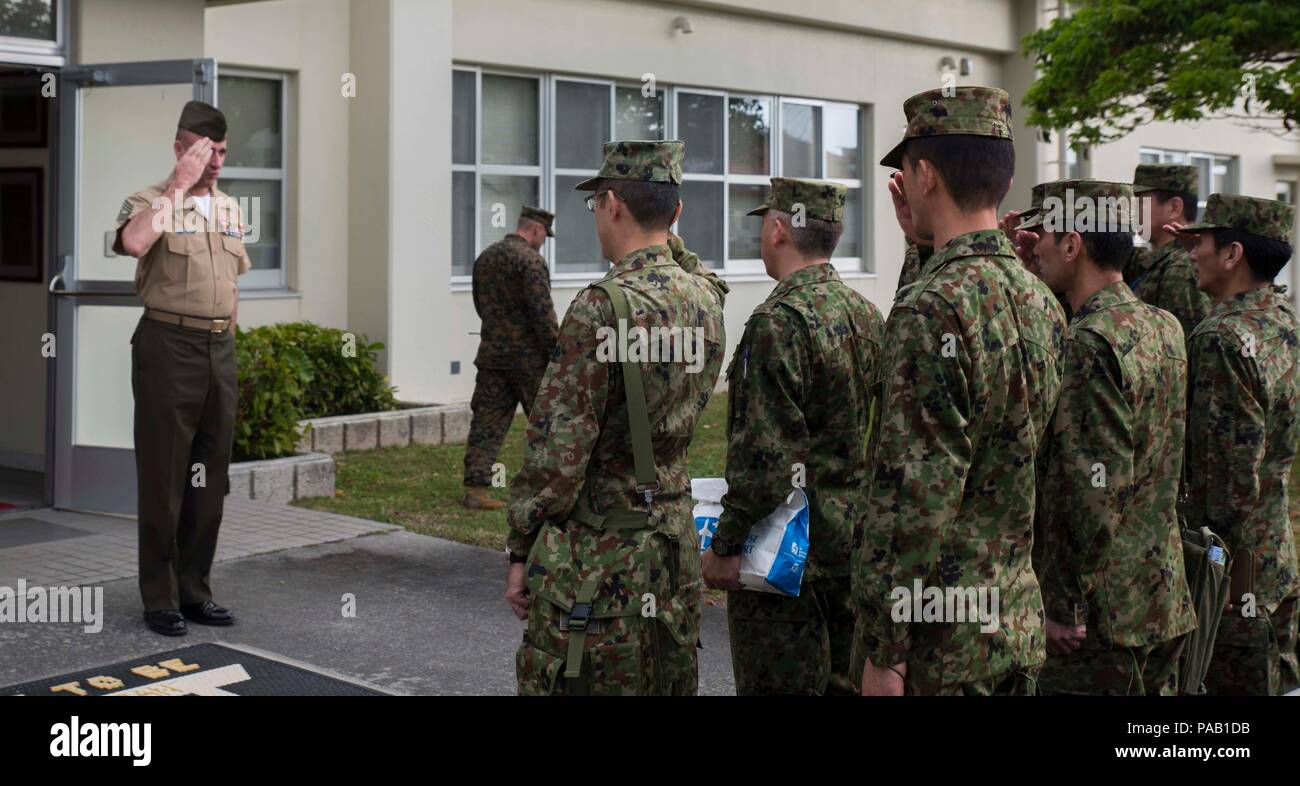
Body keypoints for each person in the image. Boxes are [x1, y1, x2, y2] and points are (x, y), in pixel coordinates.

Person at [853, 86, 1068, 696]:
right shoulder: (1039, 299)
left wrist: (885, 651)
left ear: (922, 175)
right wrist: (922, 247)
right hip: (1010, 621)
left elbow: (912, 498)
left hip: (938, 645)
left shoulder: (931, 309)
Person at [505, 140, 727, 695]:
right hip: (673, 547)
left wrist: (521, 545)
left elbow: (557, 452)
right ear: (676, 214)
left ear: (610, 204)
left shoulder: (602, 306)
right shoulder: (705, 299)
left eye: (596, 205)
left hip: (602, 557)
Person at [702, 177, 883, 695]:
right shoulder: (867, 315)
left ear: (779, 230)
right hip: (851, 550)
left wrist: (725, 544)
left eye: (764, 223)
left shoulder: (777, 323)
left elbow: (765, 461)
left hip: (784, 563)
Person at [1017, 180, 1196, 695]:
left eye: (1045, 236)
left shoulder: (1090, 341)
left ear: (1072, 244)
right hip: (1160, 593)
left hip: (1100, 614)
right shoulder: (1163, 325)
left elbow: (1092, 487)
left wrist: (1063, 602)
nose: (1037, 247)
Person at [113, 101, 250, 636]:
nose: (214, 161)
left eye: (220, 151)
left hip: (219, 350)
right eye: (204, 150)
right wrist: (179, 184)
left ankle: (195, 592)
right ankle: (160, 599)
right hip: (167, 345)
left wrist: (230, 343)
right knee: (165, 476)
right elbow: (134, 242)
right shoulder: (148, 201)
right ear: (180, 148)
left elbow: (234, 286)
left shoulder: (232, 209)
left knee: (210, 477)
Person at [1174, 194, 1300, 696]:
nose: (1190, 254)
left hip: (1232, 572)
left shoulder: (1221, 337)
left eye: (1199, 242)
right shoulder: (1283, 321)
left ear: (1232, 254)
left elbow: (1224, 479)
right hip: (1276, 555)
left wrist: (1211, 571)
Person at [462, 206, 559, 509]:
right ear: (536, 230)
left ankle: (475, 489)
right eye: (545, 236)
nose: (544, 241)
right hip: (529, 361)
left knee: (487, 420)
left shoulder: (486, 257)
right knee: (547, 423)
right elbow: (543, 315)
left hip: (492, 355)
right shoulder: (531, 262)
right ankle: (554, 486)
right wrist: (558, 352)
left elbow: (481, 304)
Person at [1125, 164, 1211, 336]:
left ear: (1174, 207)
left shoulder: (1181, 268)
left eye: (1141, 203)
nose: (1132, 212)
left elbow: (1187, 345)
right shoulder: (1160, 260)